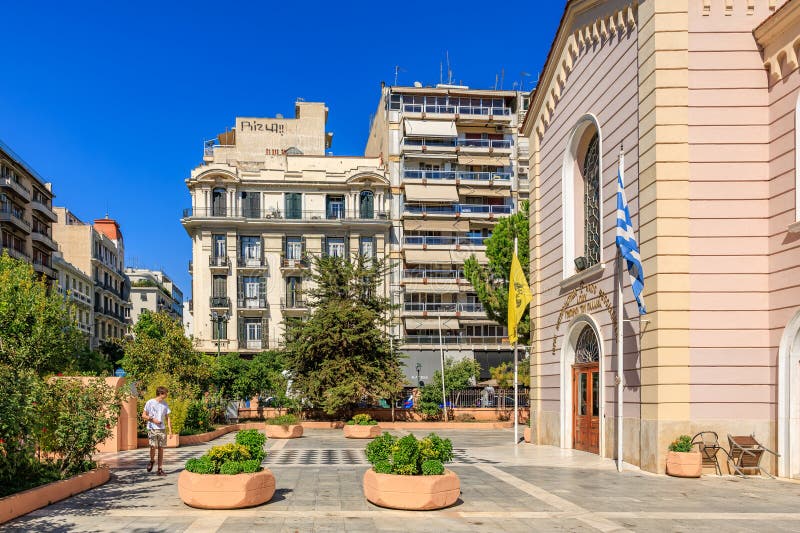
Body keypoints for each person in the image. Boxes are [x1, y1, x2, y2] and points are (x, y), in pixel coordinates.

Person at [142, 386, 172, 476]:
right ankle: (152, 460)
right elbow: (143, 415)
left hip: (162, 429)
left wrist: (170, 430)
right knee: (152, 446)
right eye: (165, 393)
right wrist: (152, 419)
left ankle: (159, 469)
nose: (167, 395)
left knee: (161, 449)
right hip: (152, 428)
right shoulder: (150, 402)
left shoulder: (165, 404)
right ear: (161, 393)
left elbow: (168, 418)